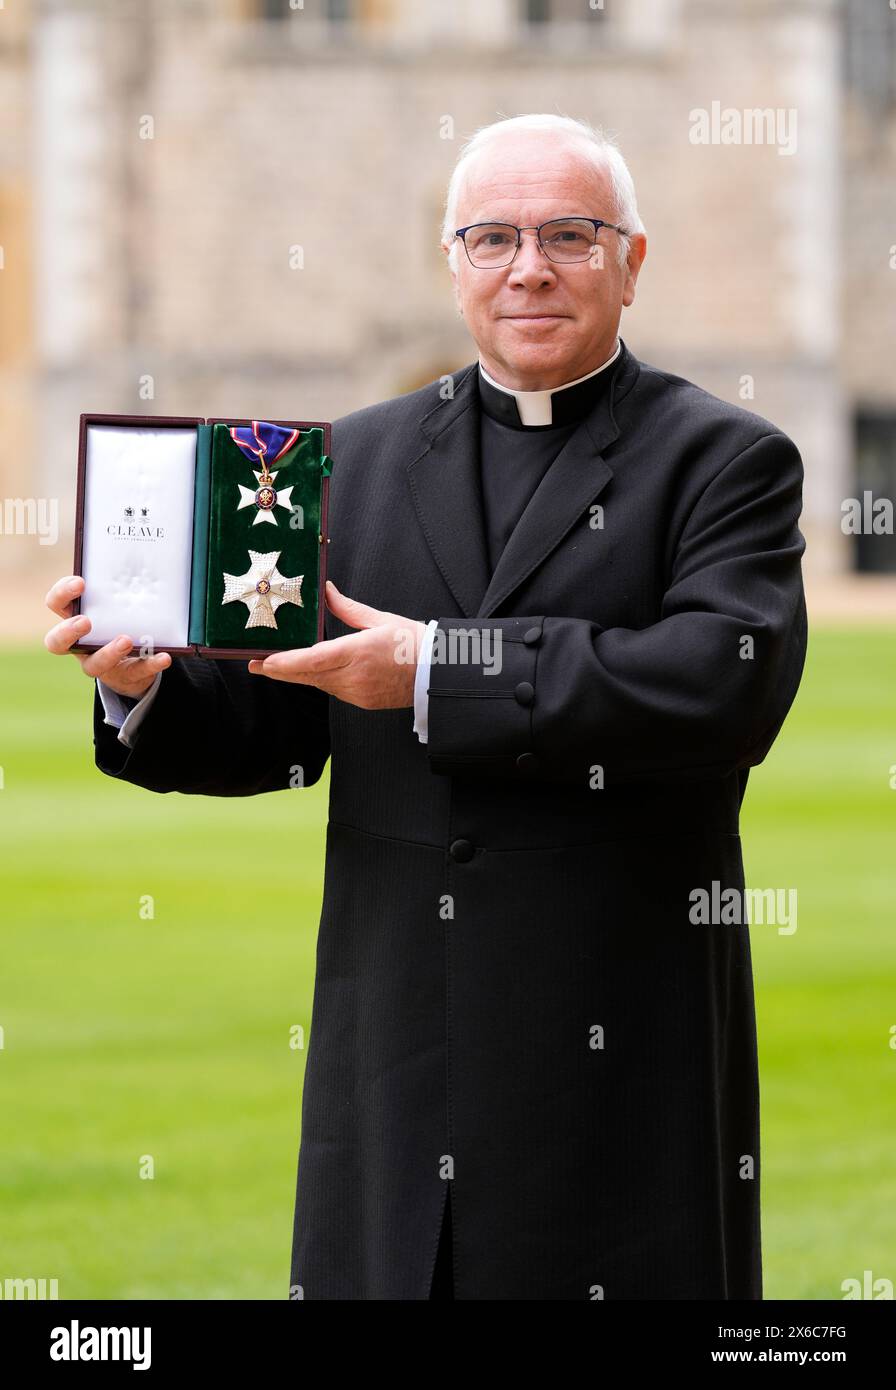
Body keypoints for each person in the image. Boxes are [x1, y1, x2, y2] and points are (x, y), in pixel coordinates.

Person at [45, 114, 807, 1300]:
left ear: (631, 260)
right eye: (491, 237)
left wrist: (440, 670)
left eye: (568, 234)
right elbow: (277, 717)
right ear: (451, 264)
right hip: (399, 1049)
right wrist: (144, 685)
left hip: (617, 1041)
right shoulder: (347, 458)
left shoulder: (724, 461)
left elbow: (720, 685)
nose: (529, 266)